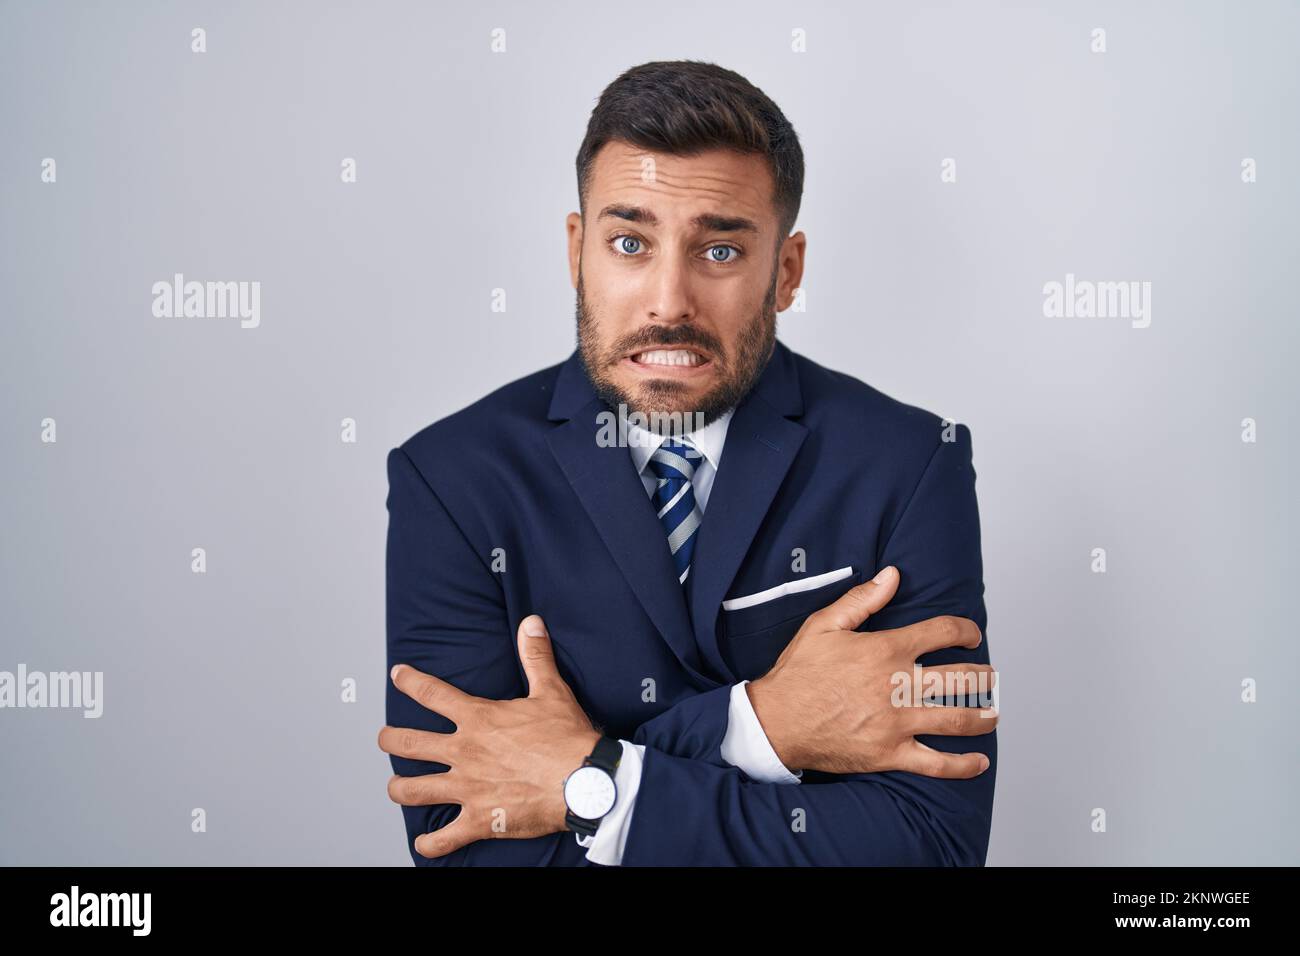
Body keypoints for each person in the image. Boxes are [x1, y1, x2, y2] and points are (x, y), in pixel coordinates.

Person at [379, 59, 998, 866]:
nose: (668, 301)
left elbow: (932, 845)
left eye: (719, 253)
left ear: (786, 271)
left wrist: (590, 782)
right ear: (577, 251)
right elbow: (465, 848)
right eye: (630, 242)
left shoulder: (914, 466)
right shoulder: (449, 482)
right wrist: (764, 724)